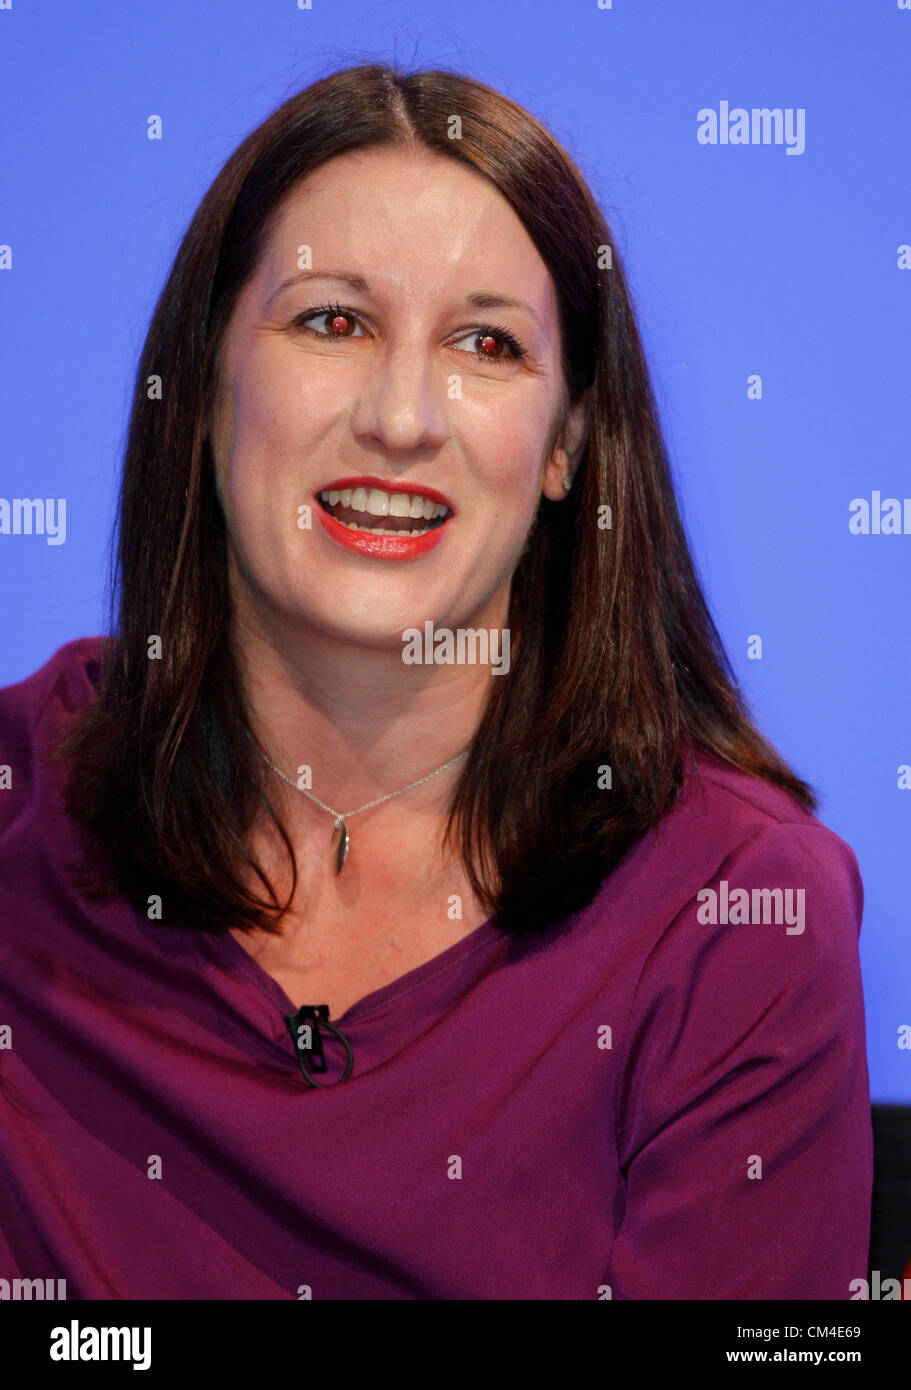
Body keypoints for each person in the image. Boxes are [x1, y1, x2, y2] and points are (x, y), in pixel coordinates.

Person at [0, 62, 871, 1300]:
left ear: (568, 443)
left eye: (486, 343)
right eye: (332, 321)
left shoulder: (737, 913)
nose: (403, 417)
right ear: (200, 390)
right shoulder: (20, 797)